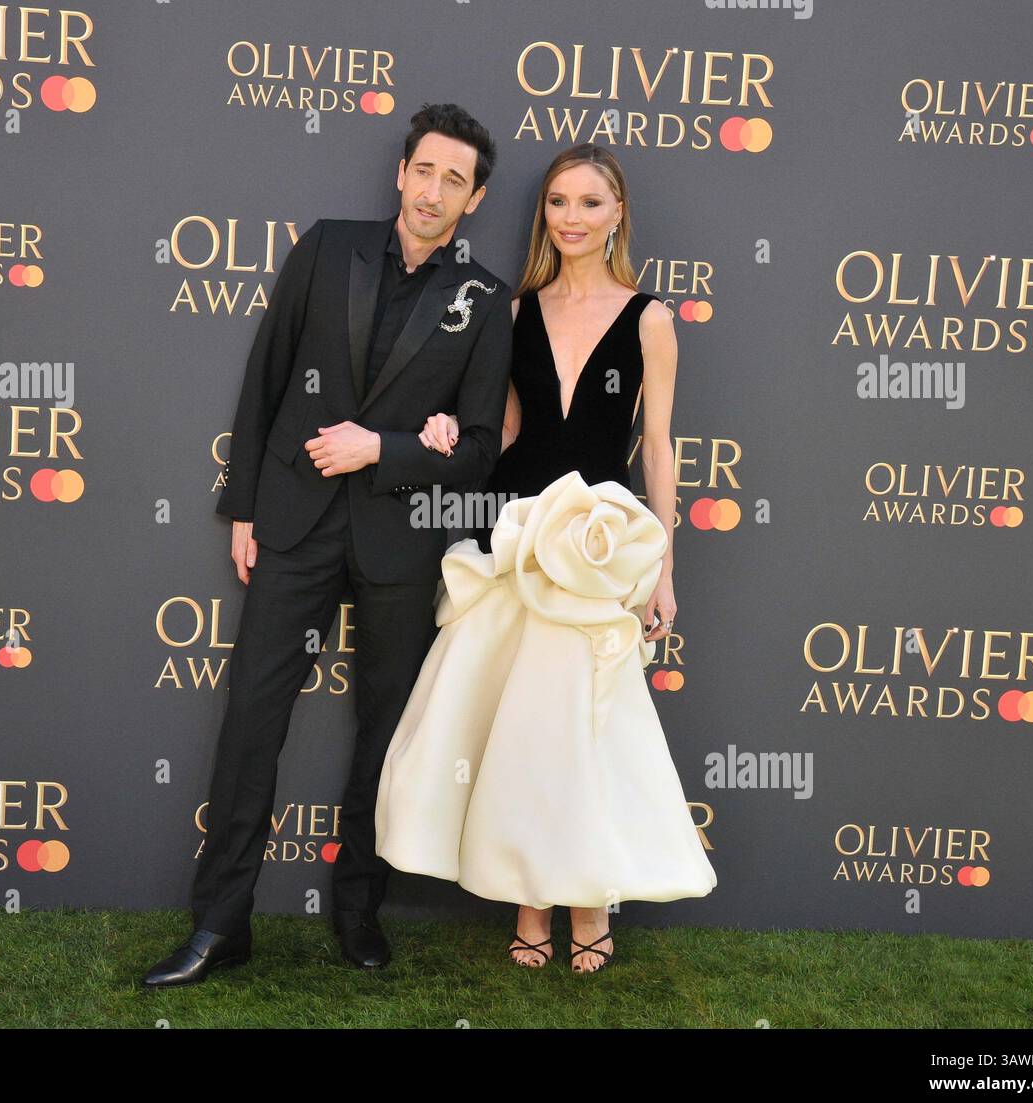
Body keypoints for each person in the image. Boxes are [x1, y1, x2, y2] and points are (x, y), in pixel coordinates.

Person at [143, 104, 512, 987]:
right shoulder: (326, 247)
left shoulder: (486, 300)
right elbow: (266, 374)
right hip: (295, 522)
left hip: (402, 542)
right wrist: (243, 506)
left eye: (452, 180)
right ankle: (221, 924)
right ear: (402, 172)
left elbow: (480, 451)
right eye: (423, 170)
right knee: (251, 723)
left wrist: (381, 450)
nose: (432, 191)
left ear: (475, 197)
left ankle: (357, 914)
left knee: (383, 733)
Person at [374, 142, 716, 974]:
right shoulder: (513, 310)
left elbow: (659, 449)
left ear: (618, 213)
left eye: (590, 203)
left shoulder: (652, 319)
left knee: (588, 736)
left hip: (600, 548)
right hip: (519, 537)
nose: (571, 218)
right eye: (558, 203)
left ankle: (590, 900)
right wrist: (446, 441)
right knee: (523, 733)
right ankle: (531, 902)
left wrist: (663, 566)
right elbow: (510, 432)